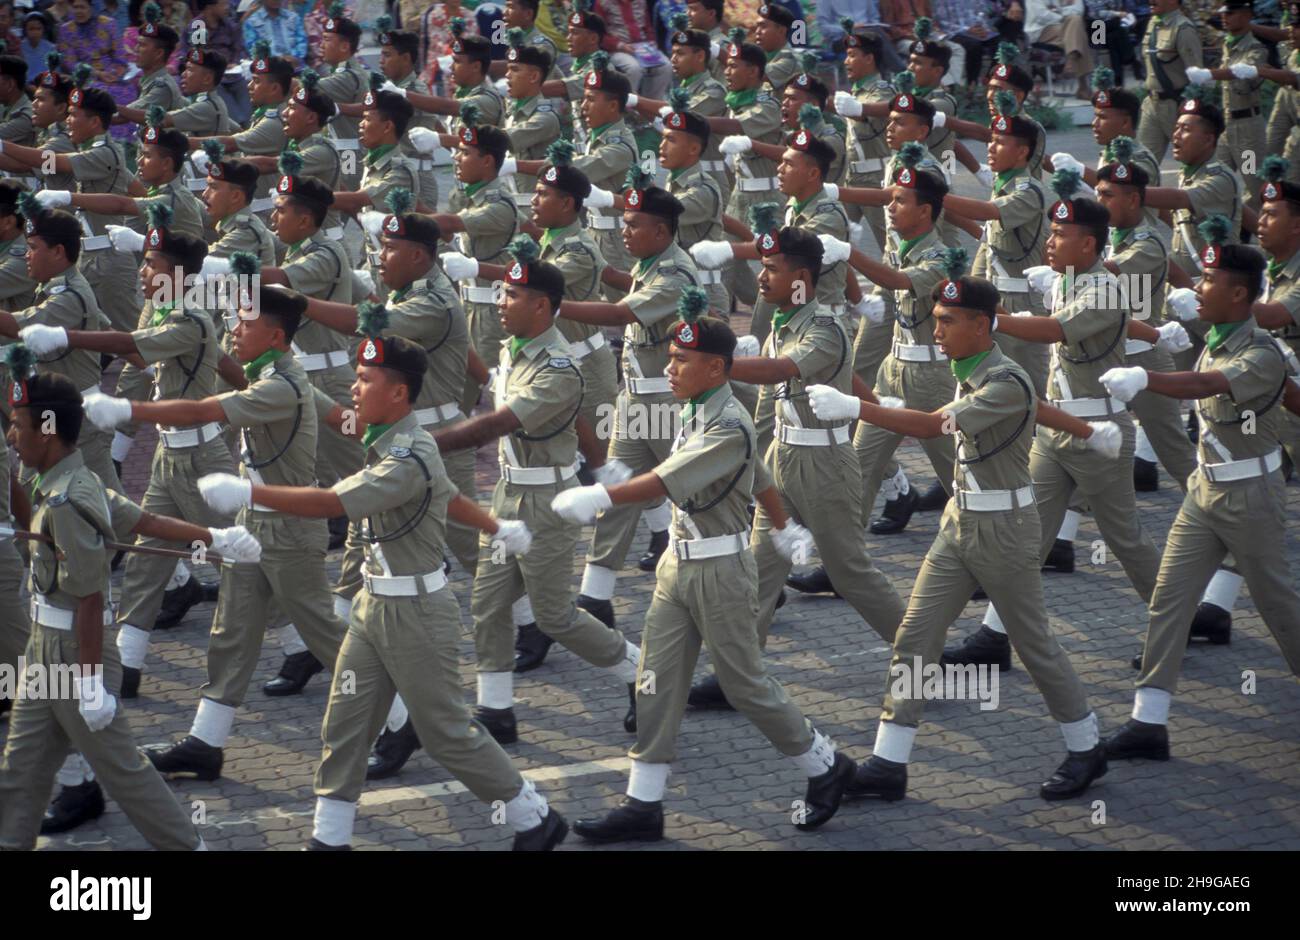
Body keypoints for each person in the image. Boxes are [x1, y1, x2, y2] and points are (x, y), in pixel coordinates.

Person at [195, 320, 568, 852]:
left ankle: (534, 817)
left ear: (398, 392)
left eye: (366, 378)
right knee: (345, 723)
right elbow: (445, 496)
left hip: (416, 613)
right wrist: (493, 524)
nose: (354, 387)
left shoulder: (405, 455)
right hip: (376, 606)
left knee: (444, 731)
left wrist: (250, 494)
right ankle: (329, 840)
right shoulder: (396, 444)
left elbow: (332, 504)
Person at [553, 298, 857, 844]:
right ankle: (643, 804)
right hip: (678, 566)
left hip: (720, 569)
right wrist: (784, 524)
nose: (668, 368)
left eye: (681, 359)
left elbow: (664, 482)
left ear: (716, 368)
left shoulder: (727, 425)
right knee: (655, 682)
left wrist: (599, 496)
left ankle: (826, 765)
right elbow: (761, 473)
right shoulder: (701, 410)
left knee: (745, 686)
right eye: (669, 357)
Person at [804, 261, 1110, 803]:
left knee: (1036, 645)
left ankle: (1086, 746)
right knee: (914, 641)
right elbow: (1039, 410)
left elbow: (932, 426)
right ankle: (889, 763)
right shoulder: (979, 371)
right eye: (935, 318)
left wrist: (858, 406)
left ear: (983, 325)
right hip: (958, 525)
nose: (935, 329)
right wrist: (1086, 430)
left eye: (947, 320)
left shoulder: (1003, 379)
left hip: (1005, 530)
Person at [80, 284, 350, 777]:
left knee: (326, 633)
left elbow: (205, 409)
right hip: (258, 523)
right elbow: (334, 415)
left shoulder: (280, 385)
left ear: (274, 334)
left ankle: (401, 718)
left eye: (245, 324)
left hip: (289, 529)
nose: (234, 330)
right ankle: (206, 743)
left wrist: (128, 411)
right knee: (231, 635)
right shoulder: (275, 374)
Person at [944, 171, 1170, 665]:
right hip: (1054, 435)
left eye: (1060, 235)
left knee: (1125, 539)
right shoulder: (1075, 281)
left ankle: (1175, 621)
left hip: (1099, 436)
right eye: (1049, 232)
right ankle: (993, 637)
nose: (1049, 242)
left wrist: (984, 318)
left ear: (1088, 243)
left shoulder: (1105, 289)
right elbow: (1116, 327)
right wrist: (1156, 335)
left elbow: (1053, 332)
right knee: (1030, 539)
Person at [425, 239, 642, 746]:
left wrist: (420, 443)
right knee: (487, 605)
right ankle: (496, 710)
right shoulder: (513, 349)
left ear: (541, 306)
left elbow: (495, 425)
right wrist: (599, 462)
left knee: (554, 616)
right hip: (507, 495)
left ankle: (641, 675)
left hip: (547, 503)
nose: (499, 302)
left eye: (511, 296)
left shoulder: (558, 368)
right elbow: (580, 418)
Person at [18, 209, 241, 698]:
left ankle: (300, 641)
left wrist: (67, 336)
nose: (143, 272)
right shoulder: (162, 312)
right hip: (167, 458)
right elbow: (144, 352)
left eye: (153, 264)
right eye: (143, 262)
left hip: (204, 461)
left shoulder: (188, 317)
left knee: (244, 567)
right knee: (143, 567)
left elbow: (130, 342)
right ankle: (129, 672)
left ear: (179, 275)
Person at [0, 352, 213, 851]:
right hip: (42, 654)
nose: (11, 437)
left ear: (47, 430)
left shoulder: (68, 500)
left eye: (17, 426)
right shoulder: (64, 482)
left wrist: (92, 683)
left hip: (76, 655)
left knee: (124, 772)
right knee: (20, 771)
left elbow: (91, 597)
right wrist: (216, 537)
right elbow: (146, 522)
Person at [1100, 238, 1300, 762]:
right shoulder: (1221, 336)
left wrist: (1146, 377)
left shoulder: (1258, 353)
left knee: (1277, 603)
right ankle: (1149, 722)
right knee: (1169, 599)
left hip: (1251, 496)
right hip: (1205, 490)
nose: (1197, 286)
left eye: (1209, 281)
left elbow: (1203, 383)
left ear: (1239, 294)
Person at [0, 197, 120, 491]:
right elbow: (106, 327)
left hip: (79, 424)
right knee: (39, 494)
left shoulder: (68, 296)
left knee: (110, 508)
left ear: (58, 252)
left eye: (33, 248)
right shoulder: (56, 286)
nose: (27, 256)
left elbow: (18, 326)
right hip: (52, 416)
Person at [1183, 0, 1267, 206]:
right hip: (1227, 127)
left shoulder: (1256, 48)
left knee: (1252, 184)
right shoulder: (1229, 44)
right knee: (1214, 175)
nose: (1224, 17)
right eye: (1223, 14)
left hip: (1248, 131)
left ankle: (1253, 231)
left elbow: (1239, 72)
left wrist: (1208, 74)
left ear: (1246, 15)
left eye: (1230, 13)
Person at [1136, 0, 1202, 163]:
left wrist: (1189, 108)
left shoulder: (1183, 28)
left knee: (1191, 160)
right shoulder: (1153, 23)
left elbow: (1197, 74)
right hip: (1151, 104)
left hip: (1175, 106)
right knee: (1142, 163)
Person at [184, 0, 248, 125]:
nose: (227, 7)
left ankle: (250, 124)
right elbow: (198, 56)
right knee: (217, 89)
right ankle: (239, 127)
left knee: (243, 85)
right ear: (210, 6)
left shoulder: (229, 25)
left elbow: (238, 48)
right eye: (223, 4)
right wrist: (219, 66)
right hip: (210, 75)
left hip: (232, 74)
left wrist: (235, 63)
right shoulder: (198, 26)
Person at [1024, 0, 1094, 99]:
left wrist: (1057, 11)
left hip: (1064, 29)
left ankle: (1071, 58)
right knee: (1077, 31)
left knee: (1076, 23)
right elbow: (1040, 15)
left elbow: (1079, 11)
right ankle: (1083, 86)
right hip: (1041, 31)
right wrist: (1063, 15)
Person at [242, 0, 307, 65]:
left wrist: (296, 58)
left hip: (295, 64)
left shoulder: (293, 18)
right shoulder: (252, 22)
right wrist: (275, 60)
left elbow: (302, 42)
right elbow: (253, 48)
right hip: (268, 67)